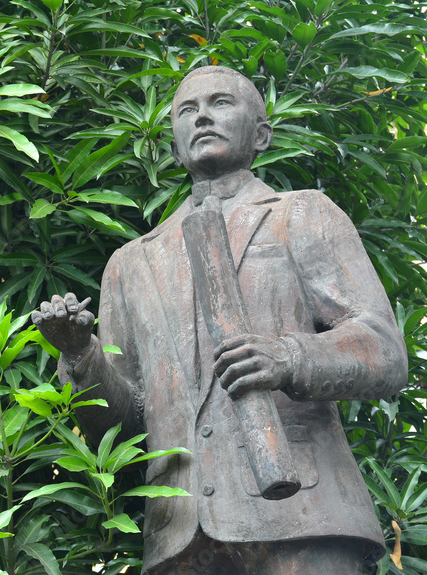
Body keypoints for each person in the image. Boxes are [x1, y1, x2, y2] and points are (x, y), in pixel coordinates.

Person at [33, 66, 408, 574]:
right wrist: (81, 358)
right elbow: (127, 423)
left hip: (304, 516)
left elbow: (384, 351)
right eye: (187, 111)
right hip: (180, 536)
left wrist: (289, 356)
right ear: (173, 147)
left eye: (220, 103)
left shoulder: (303, 214)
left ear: (261, 135)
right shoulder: (131, 262)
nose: (203, 116)